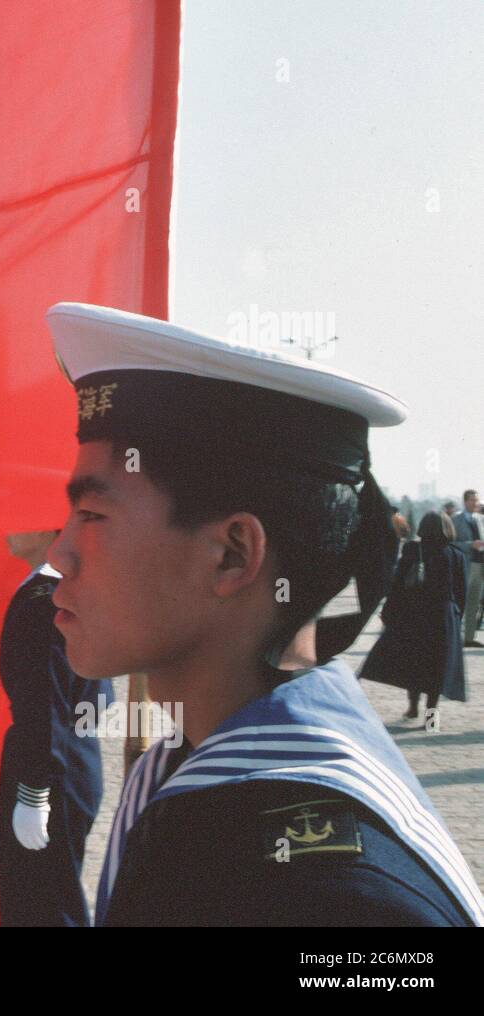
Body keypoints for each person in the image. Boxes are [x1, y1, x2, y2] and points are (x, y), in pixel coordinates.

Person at [42, 302, 482, 927]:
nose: (59, 554)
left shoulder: (327, 898)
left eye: (91, 516)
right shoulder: (202, 766)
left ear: (231, 554)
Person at [0, 531, 112, 926]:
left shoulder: (43, 601)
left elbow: (43, 708)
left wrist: (33, 794)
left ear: (50, 526)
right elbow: (98, 699)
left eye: (18, 514)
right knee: (49, 895)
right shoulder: (65, 589)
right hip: (72, 760)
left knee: (40, 904)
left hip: (49, 772)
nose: (6, 527)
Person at [360, 511, 467, 721]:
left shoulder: (413, 549)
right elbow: (461, 592)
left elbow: (397, 582)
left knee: (414, 662)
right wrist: (457, 617)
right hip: (443, 617)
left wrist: (389, 609)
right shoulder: (456, 554)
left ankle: (412, 708)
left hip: (413, 613)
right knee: (436, 668)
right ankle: (432, 719)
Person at [450, 490, 484, 646]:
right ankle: (454, 637)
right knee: (460, 601)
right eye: (472, 500)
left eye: (476, 500)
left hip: (480, 565)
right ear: (465, 502)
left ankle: (469, 638)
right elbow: (451, 543)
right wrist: (470, 545)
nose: (475, 503)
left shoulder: (481, 519)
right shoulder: (456, 520)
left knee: (474, 603)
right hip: (465, 565)